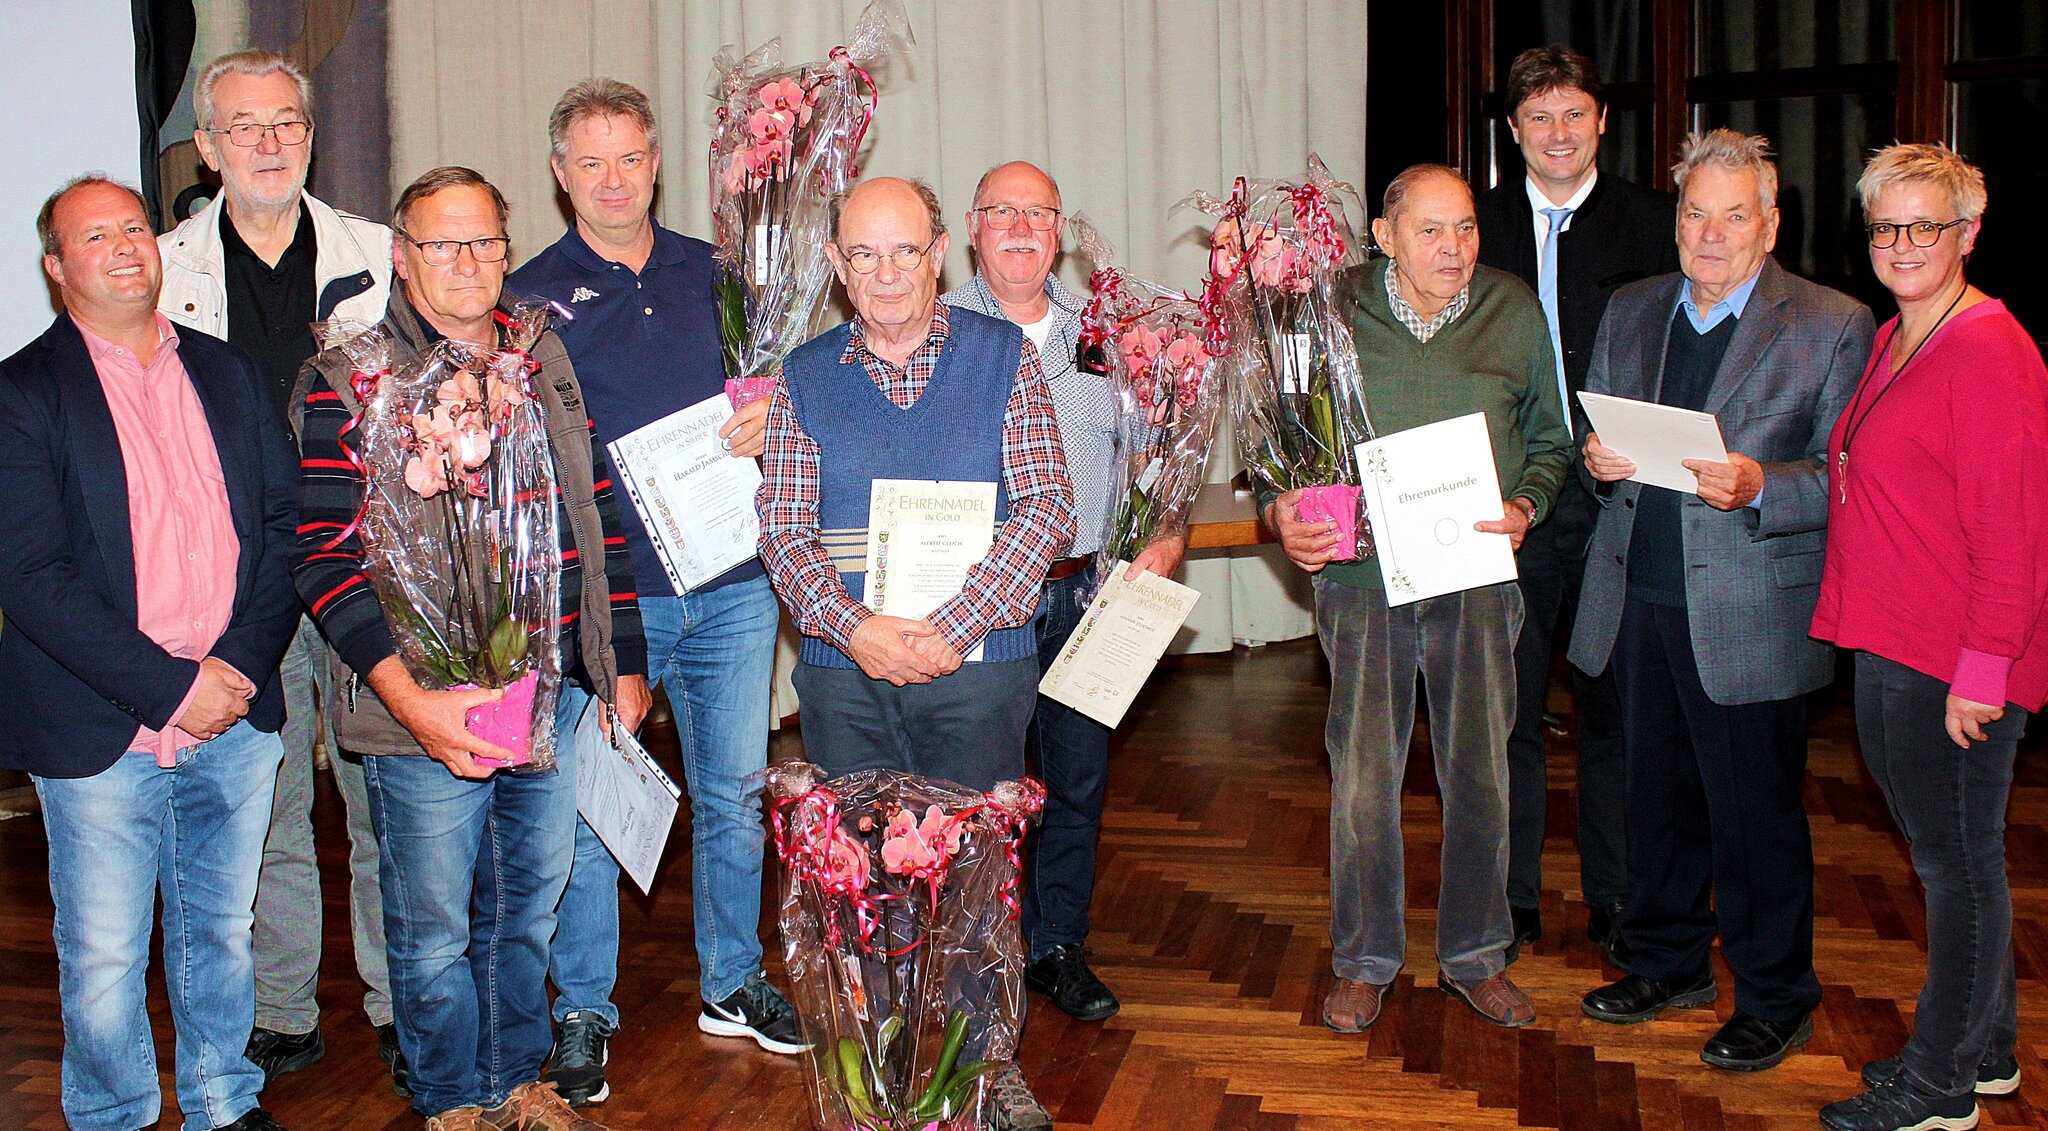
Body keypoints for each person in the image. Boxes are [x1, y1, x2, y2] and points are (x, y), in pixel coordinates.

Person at [293, 166, 647, 1131]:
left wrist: (622, 660)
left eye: (487, 240)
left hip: (548, 694)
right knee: (434, 929)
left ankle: (517, 1085)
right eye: (443, 243)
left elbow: (594, 512)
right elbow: (323, 558)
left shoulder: (539, 355)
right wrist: (411, 699)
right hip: (422, 713)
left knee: (528, 909)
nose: (470, 262)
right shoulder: (351, 377)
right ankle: (452, 1102)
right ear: (402, 258)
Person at [506, 79, 803, 1106]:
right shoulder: (527, 297)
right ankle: (583, 1005)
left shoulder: (720, 276)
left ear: (657, 159)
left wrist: (772, 416)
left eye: (628, 157)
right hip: (603, 599)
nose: (612, 179)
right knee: (591, 813)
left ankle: (733, 981)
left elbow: (769, 396)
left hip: (729, 583)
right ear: (558, 173)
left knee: (732, 796)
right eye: (589, 162)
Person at [757, 175, 1075, 1131]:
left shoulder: (1002, 357)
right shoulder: (803, 374)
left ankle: (987, 1070)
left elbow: (1047, 505)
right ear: (835, 265)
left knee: (978, 875)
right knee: (863, 873)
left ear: (938, 252)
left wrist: (956, 624)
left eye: (904, 251)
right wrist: (855, 629)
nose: (886, 272)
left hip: (980, 668)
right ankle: (882, 1066)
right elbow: (782, 528)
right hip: (845, 675)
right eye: (864, 253)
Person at [0, 174, 301, 1131]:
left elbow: (281, 530)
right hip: (103, 727)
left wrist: (236, 673)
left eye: (136, 225)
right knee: (101, 954)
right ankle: (115, 1113)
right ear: (58, 270)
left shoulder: (227, 372)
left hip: (234, 716)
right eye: (97, 235)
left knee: (220, 935)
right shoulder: (19, 393)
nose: (127, 244)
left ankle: (222, 1099)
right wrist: (175, 688)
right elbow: (31, 576)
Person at [1569, 129, 1874, 1072]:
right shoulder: (1631, 308)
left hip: (1750, 614)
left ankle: (1777, 996)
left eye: (1733, 214)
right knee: (1650, 802)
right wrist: (1593, 461)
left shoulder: (1832, 322)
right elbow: (1605, 454)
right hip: (1636, 601)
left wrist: (1762, 486)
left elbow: (1851, 478)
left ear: (1770, 224)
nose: (1709, 232)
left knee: (1754, 819)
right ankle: (1667, 962)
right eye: (1695, 211)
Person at [1262, 164, 1572, 1034]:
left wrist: (1526, 504)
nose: (1454, 248)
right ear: (1385, 238)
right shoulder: (1328, 312)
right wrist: (1280, 510)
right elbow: (1281, 452)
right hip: (1362, 583)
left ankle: (1477, 955)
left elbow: (1551, 440)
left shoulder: (1511, 308)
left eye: (1467, 228)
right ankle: (1365, 961)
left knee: (1480, 770)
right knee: (1364, 778)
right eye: (1431, 230)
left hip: (1475, 577)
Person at [156, 47, 401, 1091]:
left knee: (385, 793)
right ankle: (281, 1009)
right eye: (244, 128)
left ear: (309, 133)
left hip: (368, 570)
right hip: (237, 581)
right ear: (207, 149)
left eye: (286, 124)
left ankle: (403, 1002)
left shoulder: (381, 255)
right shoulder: (159, 269)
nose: (269, 144)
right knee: (263, 804)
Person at [1810, 144, 2048, 1131]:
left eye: (1925, 226)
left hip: (1951, 660)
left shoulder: (1989, 351)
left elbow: (2015, 533)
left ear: (1967, 233)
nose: (1902, 245)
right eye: (1884, 227)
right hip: (1895, 638)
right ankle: (1983, 1050)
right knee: (1949, 856)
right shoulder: (1894, 333)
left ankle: (1938, 1086)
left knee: (1955, 870)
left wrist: (1981, 671)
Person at [941, 160, 1183, 1023]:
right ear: (971, 228)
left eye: (1036, 212)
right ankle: (979, 943)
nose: (1018, 227)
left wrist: (1169, 528)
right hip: (977, 604)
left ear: (1060, 230)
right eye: (1000, 211)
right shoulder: (933, 330)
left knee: (1077, 779)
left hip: (1087, 592)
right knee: (981, 784)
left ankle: (1056, 946)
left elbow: (1154, 457)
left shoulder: (1110, 336)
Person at [1474, 45, 1678, 961]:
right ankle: (1511, 900)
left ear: (1601, 121)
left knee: (1615, 708)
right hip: (1507, 504)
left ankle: (1620, 896)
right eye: (1538, 117)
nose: (1558, 133)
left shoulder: (1654, 224)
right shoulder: (1469, 226)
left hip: (1620, 500)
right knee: (1505, 708)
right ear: (1513, 130)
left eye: (1574, 114)